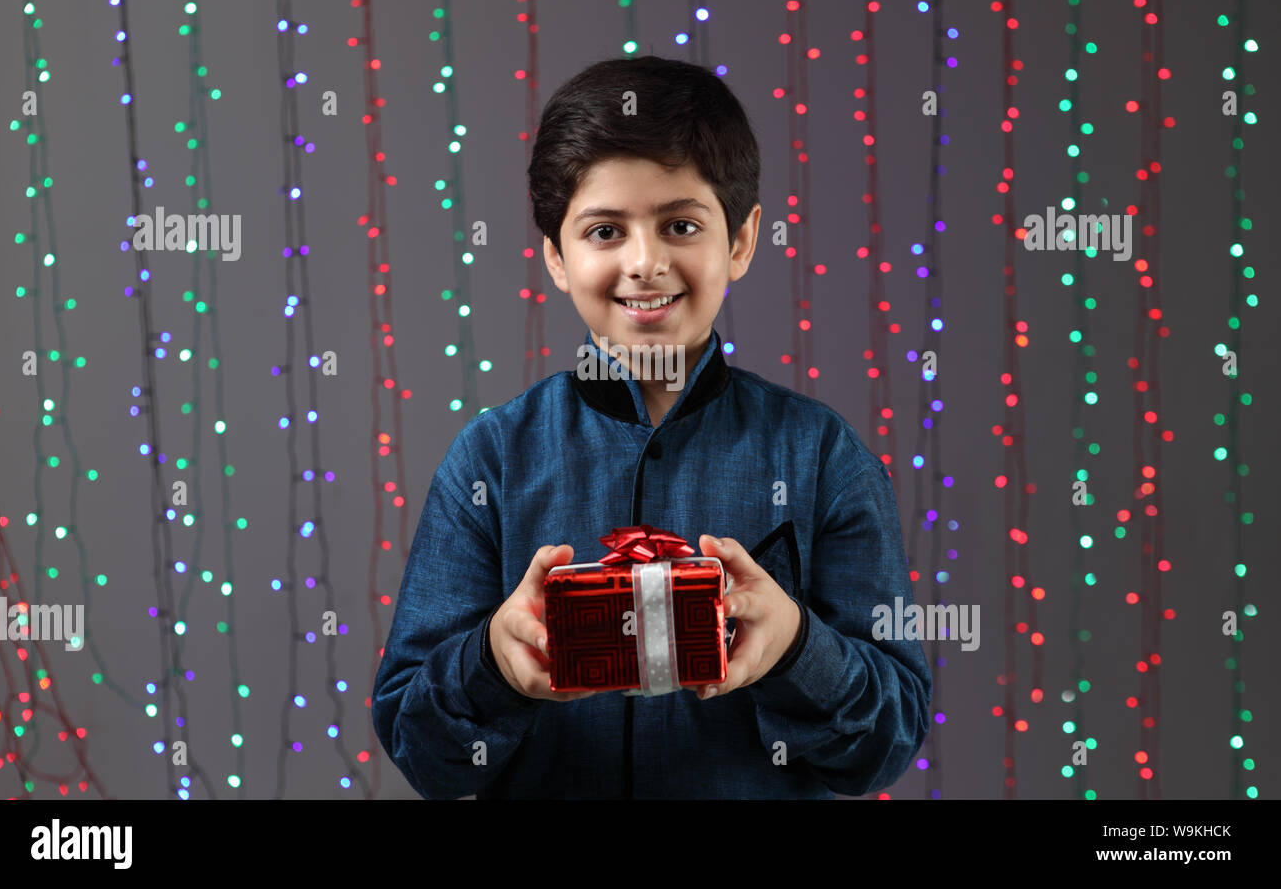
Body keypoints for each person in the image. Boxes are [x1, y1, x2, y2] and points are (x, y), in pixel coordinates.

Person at [372, 55, 931, 798]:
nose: (644, 263)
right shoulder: (492, 460)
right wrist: (492, 665)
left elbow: (887, 743)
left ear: (739, 241)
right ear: (555, 257)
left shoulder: (824, 458)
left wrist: (799, 648)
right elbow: (417, 746)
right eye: (604, 231)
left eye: (680, 224)